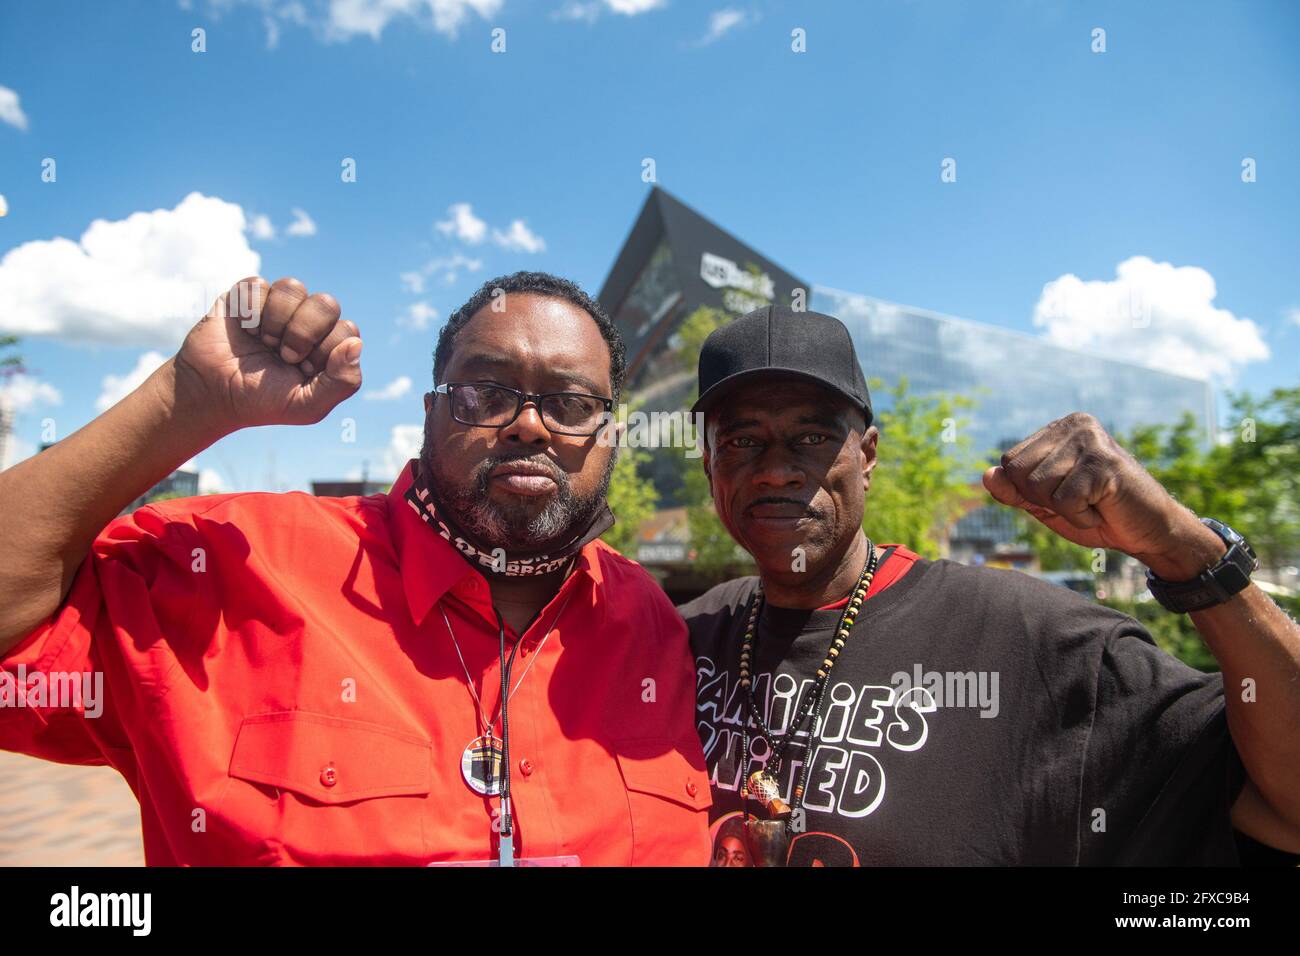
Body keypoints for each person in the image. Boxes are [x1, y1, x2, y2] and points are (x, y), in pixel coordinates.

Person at [0, 271, 710, 866]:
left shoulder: (650, 622)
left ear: (608, 434)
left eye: (572, 403)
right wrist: (187, 400)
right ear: (432, 413)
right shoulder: (235, 564)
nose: (528, 425)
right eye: (486, 392)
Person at [679, 304, 1300, 865]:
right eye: (742, 441)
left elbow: (1289, 809)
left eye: (811, 438)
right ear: (710, 464)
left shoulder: (1035, 642)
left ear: (866, 456)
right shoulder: (678, 640)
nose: (777, 470)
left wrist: (1184, 550)